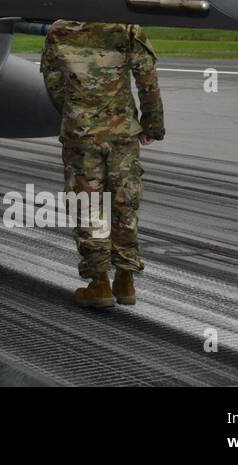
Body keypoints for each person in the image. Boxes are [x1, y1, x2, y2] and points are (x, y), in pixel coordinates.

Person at [39, 20, 164, 308]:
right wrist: (152, 125)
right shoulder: (127, 28)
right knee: (124, 202)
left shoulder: (59, 30)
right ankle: (125, 279)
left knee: (89, 204)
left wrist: (77, 115)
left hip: (82, 135)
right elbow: (147, 80)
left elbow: (54, 82)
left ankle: (99, 283)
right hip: (122, 134)